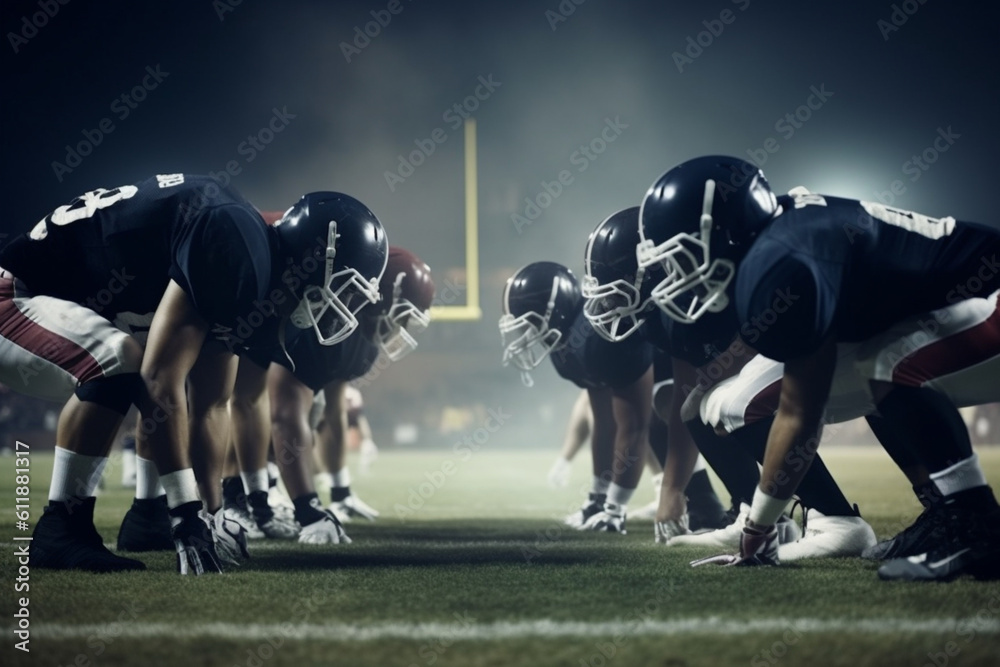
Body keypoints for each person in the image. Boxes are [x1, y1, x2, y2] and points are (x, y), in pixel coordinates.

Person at [637, 155, 1000, 580]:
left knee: (886, 364)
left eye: (681, 257)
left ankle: (977, 525)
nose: (674, 277)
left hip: (990, 297)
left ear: (725, 234)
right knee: (872, 361)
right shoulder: (778, 241)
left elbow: (799, 414)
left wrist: (758, 530)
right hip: (962, 303)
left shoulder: (782, 258)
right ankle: (946, 512)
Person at [0, 176, 387, 574]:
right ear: (315, 256)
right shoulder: (232, 241)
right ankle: (61, 527)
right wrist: (187, 514)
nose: (345, 304)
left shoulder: (251, 268)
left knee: (148, 367)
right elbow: (159, 381)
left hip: (63, 308)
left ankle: (148, 519)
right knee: (122, 358)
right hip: (14, 297)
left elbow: (213, 404)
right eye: (345, 287)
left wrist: (212, 513)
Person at [582, 204, 876, 559]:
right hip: (810, 356)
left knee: (733, 403)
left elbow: (763, 332)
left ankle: (833, 514)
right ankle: (754, 509)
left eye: (618, 287)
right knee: (697, 404)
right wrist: (674, 486)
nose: (610, 301)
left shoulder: (722, 276)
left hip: (841, 348)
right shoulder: (661, 318)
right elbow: (688, 392)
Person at [500, 259, 727, 534]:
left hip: (700, 362)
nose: (525, 337)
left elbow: (633, 427)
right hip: (665, 373)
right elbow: (604, 422)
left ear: (555, 311)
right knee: (653, 413)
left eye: (530, 323)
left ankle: (735, 504)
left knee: (665, 411)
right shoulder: (567, 348)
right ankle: (701, 506)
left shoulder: (595, 338)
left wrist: (615, 509)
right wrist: (598, 500)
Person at [228, 246, 432, 542]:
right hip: (242, 326)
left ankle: (264, 493)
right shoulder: (325, 319)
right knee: (245, 401)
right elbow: (283, 415)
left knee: (316, 407)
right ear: (380, 298)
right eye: (399, 317)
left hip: (273, 350)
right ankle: (242, 498)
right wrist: (308, 509)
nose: (398, 328)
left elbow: (335, 411)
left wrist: (340, 493)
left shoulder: (362, 339)